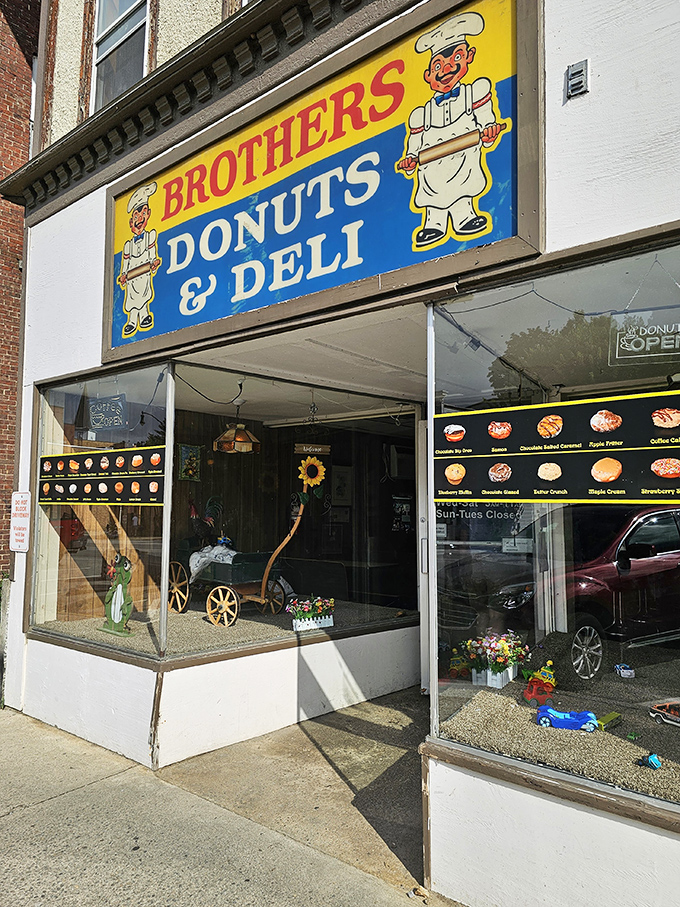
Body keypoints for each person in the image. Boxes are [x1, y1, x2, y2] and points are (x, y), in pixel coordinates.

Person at [397, 12, 505, 248]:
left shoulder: (473, 92)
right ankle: (433, 224)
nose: (446, 69)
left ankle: (464, 217)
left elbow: (486, 119)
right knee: (432, 194)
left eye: (456, 57)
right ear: (428, 76)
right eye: (438, 66)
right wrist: (411, 158)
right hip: (431, 164)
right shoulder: (421, 113)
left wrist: (489, 131)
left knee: (463, 188)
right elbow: (414, 141)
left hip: (463, 155)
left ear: (469, 57)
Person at [118, 182, 161, 338]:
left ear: (148, 214)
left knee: (144, 295)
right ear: (131, 223)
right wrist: (123, 274)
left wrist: (154, 263)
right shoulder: (128, 245)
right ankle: (131, 321)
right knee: (131, 298)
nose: (139, 219)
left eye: (142, 214)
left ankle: (144, 316)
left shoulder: (150, 236)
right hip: (132, 278)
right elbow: (126, 262)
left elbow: (152, 253)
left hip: (144, 274)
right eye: (136, 216)